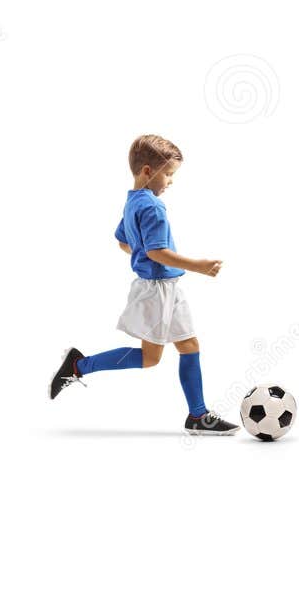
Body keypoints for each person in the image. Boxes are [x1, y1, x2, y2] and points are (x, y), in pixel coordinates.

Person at [49, 134, 239, 434]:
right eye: (168, 174)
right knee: (151, 358)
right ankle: (79, 366)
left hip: (167, 286)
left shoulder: (133, 201)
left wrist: (143, 255)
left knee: (189, 346)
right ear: (148, 171)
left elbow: (124, 241)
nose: (171, 182)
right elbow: (155, 252)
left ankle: (198, 415)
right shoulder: (153, 207)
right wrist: (199, 266)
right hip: (156, 289)